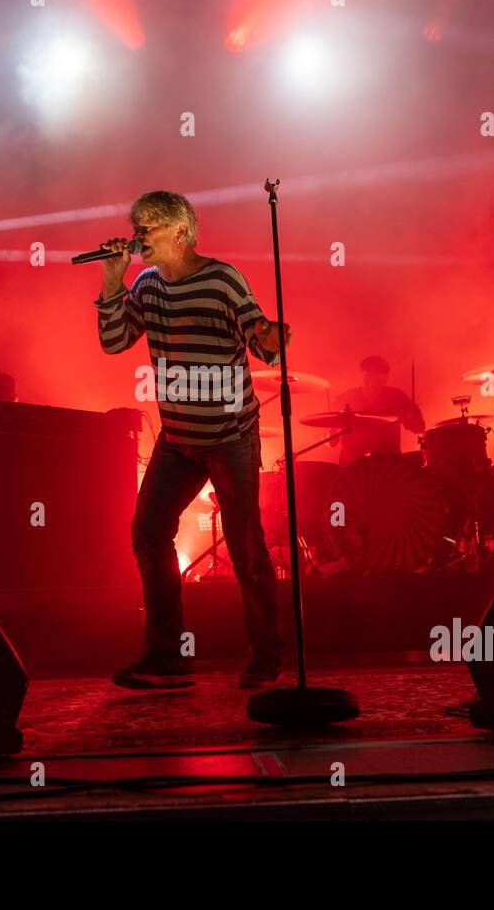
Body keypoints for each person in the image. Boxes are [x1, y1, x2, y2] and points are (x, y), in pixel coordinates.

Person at [94, 190, 290, 690]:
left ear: (180, 232)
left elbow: (260, 339)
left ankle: (267, 656)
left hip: (230, 435)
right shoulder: (147, 284)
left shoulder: (223, 279)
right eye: (134, 225)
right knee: (148, 532)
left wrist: (272, 336)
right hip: (179, 438)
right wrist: (113, 281)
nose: (137, 236)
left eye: (147, 227)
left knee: (247, 547)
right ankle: (167, 658)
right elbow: (115, 341)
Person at [332, 356, 425, 466]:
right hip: (353, 465)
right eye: (369, 376)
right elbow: (331, 442)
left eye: (378, 378)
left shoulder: (397, 397)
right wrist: (332, 432)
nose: (372, 382)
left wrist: (416, 419)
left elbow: (419, 430)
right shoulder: (344, 399)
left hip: (388, 464)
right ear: (362, 375)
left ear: (386, 378)